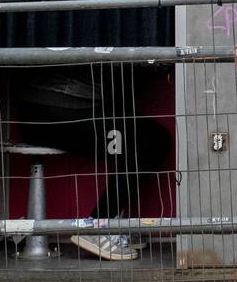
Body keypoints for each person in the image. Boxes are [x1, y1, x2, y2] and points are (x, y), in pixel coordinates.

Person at [11, 66, 171, 261]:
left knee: (133, 137)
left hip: (32, 114)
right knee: (152, 142)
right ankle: (98, 226)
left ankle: (112, 224)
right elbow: (117, 86)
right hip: (63, 111)